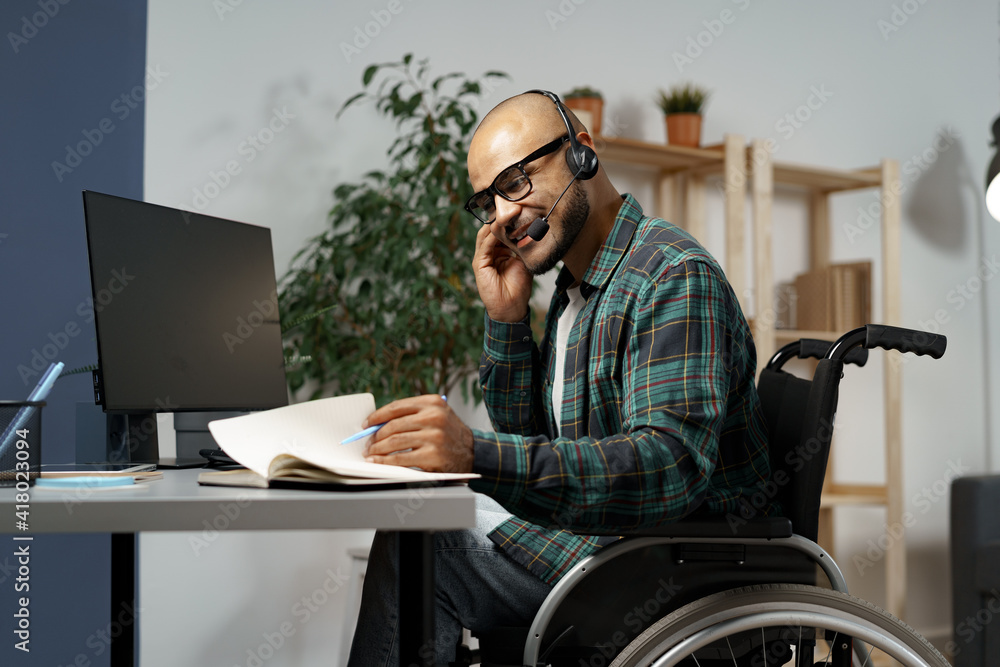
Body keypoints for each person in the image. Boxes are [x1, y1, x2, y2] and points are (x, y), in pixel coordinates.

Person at [347, 90, 772, 667]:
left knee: (419, 539)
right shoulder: (578, 293)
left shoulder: (671, 277)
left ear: (582, 152)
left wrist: (474, 452)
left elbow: (669, 465)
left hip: (669, 571)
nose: (501, 215)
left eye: (517, 181)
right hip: (609, 546)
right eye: (487, 200)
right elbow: (532, 441)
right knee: (424, 506)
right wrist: (507, 319)